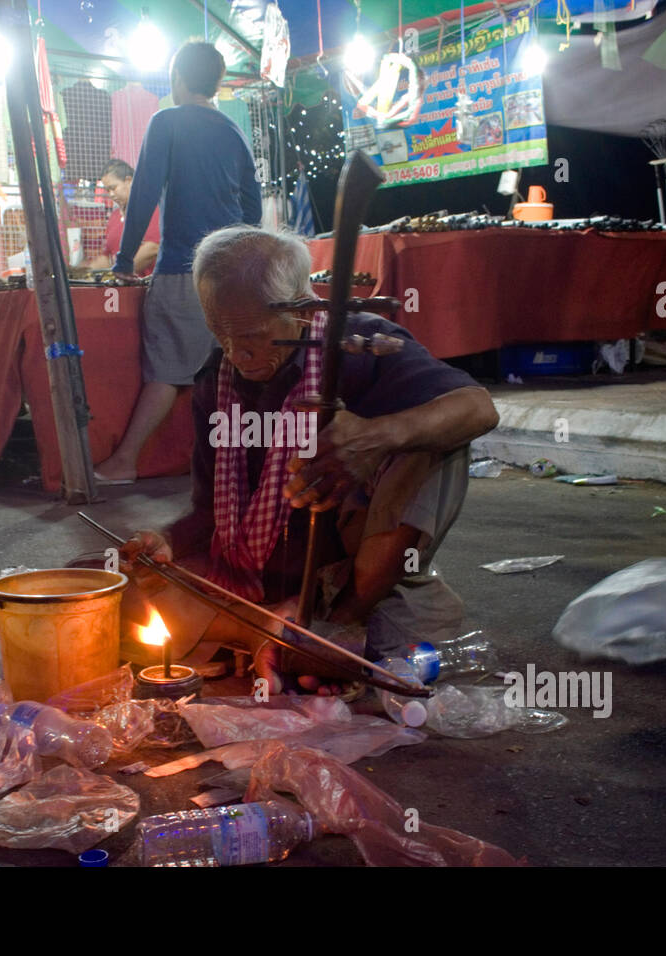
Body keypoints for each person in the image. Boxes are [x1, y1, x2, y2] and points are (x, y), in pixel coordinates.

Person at [118, 227, 499, 695]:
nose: (237, 354)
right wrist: (165, 540)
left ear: (301, 309)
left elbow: (478, 408)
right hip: (254, 583)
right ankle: (284, 637)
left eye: (253, 336)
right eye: (221, 332)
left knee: (436, 439)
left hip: (349, 578)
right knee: (101, 587)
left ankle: (335, 627)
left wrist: (373, 438)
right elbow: (209, 517)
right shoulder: (215, 381)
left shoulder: (361, 346)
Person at [94, 41, 262, 484]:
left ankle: (126, 460)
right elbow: (252, 205)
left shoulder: (165, 121)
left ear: (177, 78)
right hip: (230, 274)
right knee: (228, 372)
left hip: (182, 268)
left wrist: (125, 258)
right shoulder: (232, 131)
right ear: (217, 82)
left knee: (166, 370)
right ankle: (234, 468)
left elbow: (145, 191)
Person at [84, 158, 159, 275]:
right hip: (123, 287)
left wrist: (121, 272)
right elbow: (106, 257)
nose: (111, 195)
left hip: (147, 288)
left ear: (129, 181)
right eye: (107, 190)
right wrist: (85, 273)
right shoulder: (114, 217)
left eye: (113, 188)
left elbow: (153, 248)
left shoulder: (151, 211)